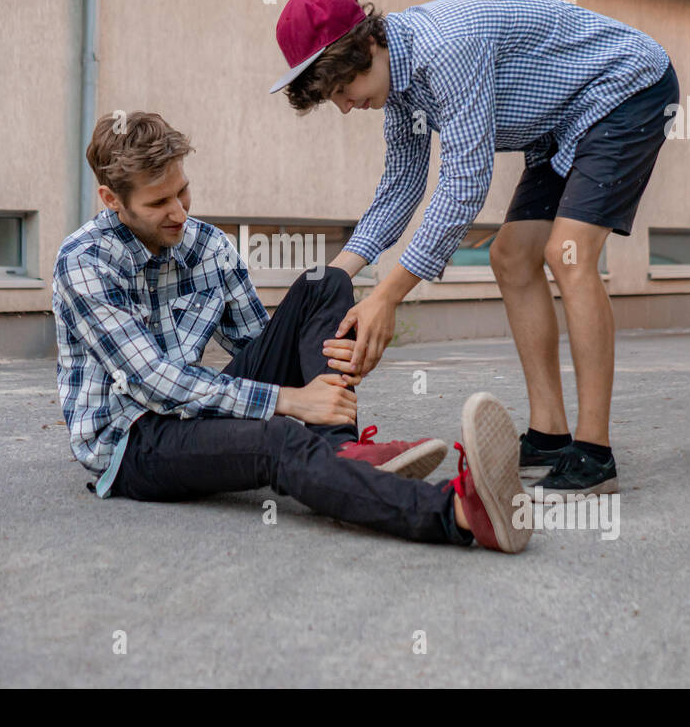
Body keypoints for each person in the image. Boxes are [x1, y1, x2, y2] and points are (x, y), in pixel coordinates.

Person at [52, 110, 532, 552]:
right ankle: (459, 513)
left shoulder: (207, 246)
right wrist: (289, 400)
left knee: (326, 282)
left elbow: (260, 345)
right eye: (159, 202)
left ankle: (340, 449)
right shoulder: (85, 262)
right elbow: (153, 381)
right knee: (278, 440)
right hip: (133, 440)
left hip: (193, 412)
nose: (179, 213)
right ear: (113, 201)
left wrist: (326, 365)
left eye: (183, 192)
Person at [270, 0, 681, 497]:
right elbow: (401, 188)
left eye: (342, 89)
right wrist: (335, 275)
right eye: (333, 99)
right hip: (559, 122)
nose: (346, 107)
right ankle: (549, 435)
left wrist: (387, 297)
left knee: (568, 253)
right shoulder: (400, 88)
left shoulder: (448, 46)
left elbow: (463, 186)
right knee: (511, 256)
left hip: (625, 89)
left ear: (366, 45)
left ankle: (595, 455)